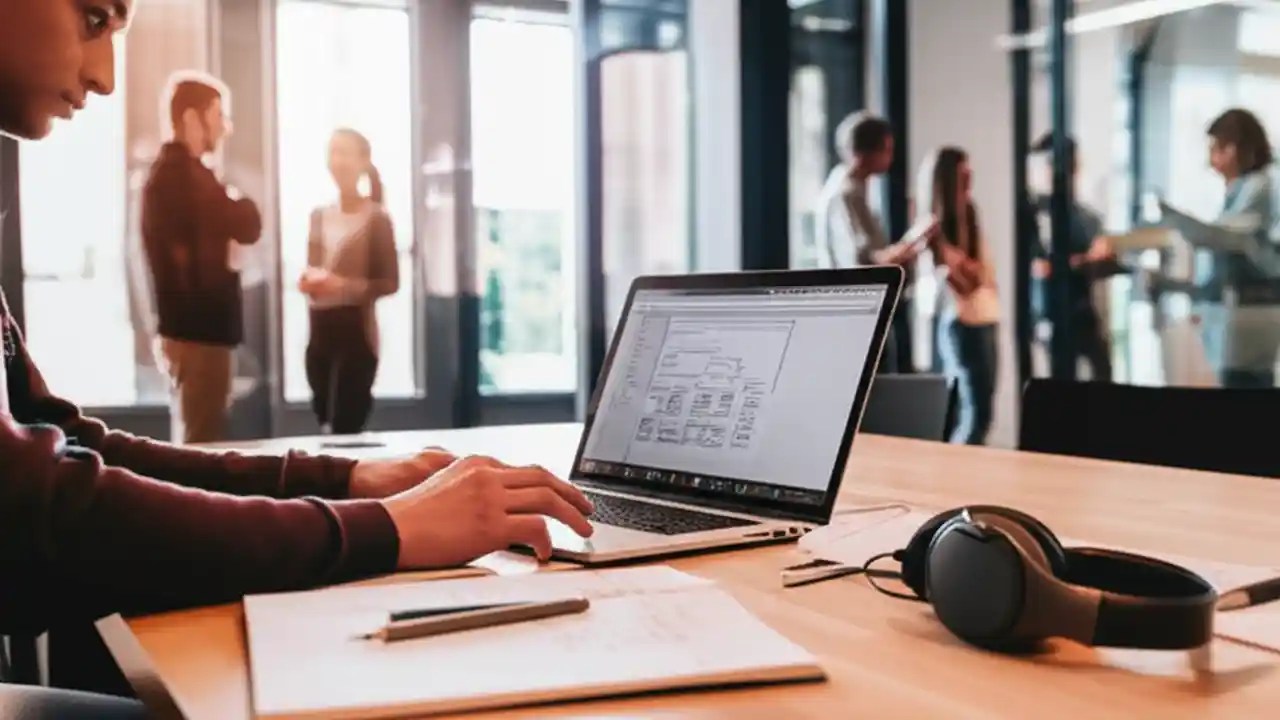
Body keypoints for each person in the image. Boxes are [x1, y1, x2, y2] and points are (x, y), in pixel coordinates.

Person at [0, 0, 593, 697]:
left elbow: (63, 447)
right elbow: (40, 512)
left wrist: (346, 481)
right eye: (95, 19)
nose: (104, 78)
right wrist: (385, 528)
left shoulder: (361, 211)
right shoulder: (190, 178)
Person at [141, 73, 257, 444]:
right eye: (218, 115)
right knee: (203, 443)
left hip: (187, 331)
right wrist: (233, 197)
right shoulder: (186, 178)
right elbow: (248, 223)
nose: (226, 127)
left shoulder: (171, 176)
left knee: (196, 432)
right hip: (200, 333)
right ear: (192, 118)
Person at [1152, 108, 1280, 388]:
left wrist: (1176, 220)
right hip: (1238, 309)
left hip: (1251, 309)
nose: (1211, 160)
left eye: (1216, 148)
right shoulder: (1242, 189)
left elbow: (1226, 238)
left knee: (1244, 399)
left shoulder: (1259, 187)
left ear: (1233, 149)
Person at [815, 111, 939, 372]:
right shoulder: (847, 194)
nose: (891, 156)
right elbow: (870, 260)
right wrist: (917, 236)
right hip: (858, 320)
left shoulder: (849, 189)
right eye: (887, 148)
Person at [300, 129, 398, 434]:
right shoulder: (318, 215)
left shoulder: (377, 218)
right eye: (333, 152)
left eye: (345, 152)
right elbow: (313, 268)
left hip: (356, 331)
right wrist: (309, 282)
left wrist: (342, 285)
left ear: (363, 161)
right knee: (324, 422)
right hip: (319, 330)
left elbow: (390, 281)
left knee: (346, 425)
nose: (338, 160)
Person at [917, 147, 999, 445]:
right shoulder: (933, 228)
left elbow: (976, 274)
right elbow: (966, 282)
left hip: (984, 316)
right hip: (964, 322)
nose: (969, 183)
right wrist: (968, 269)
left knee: (979, 411)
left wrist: (968, 269)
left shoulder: (969, 214)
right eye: (963, 177)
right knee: (976, 415)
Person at [1027, 134, 1117, 382]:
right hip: (1050, 314)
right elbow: (1041, 268)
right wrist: (1083, 261)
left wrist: (1086, 261)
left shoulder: (1083, 215)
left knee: (1102, 372)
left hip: (1082, 311)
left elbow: (1105, 254)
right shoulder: (1036, 214)